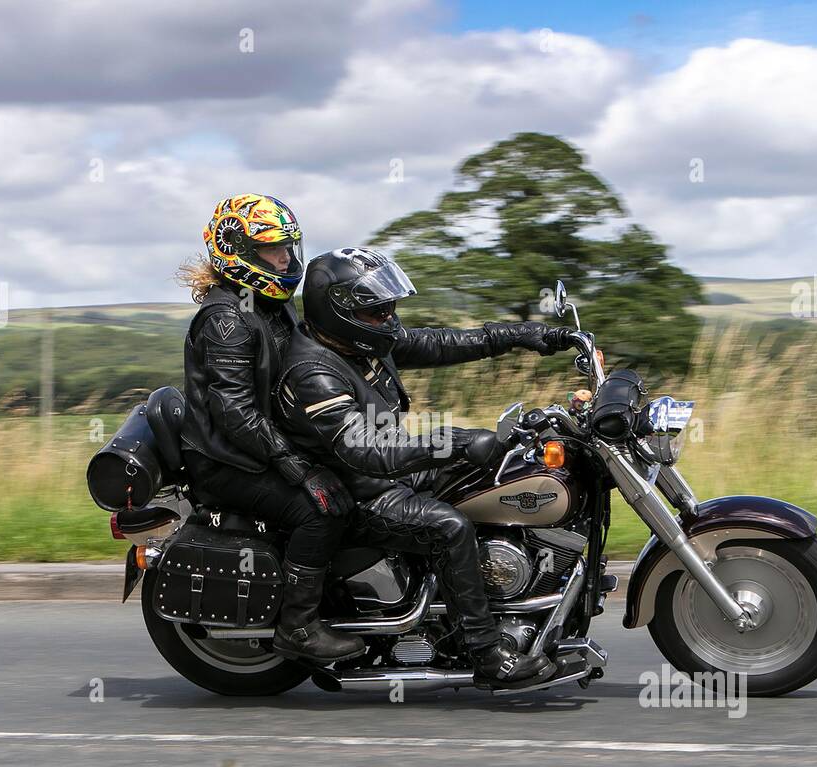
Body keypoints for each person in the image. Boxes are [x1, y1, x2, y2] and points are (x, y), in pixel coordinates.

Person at [274, 247, 574, 686]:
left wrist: (525, 335)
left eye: (390, 307)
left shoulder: (361, 341)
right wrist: (455, 440)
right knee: (450, 528)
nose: (390, 318)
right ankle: (487, 654)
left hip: (387, 472)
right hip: (357, 489)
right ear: (340, 311)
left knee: (493, 475)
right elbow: (366, 450)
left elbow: (440, 343)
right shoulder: (313, 374)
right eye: (378, 310)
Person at [176, 195, 362, 664]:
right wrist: (301, 470)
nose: (285, 259)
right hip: (227, 461)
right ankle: (298, 627)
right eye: (272, 250)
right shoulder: (226, 320)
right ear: (235, 249)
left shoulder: (268, 306)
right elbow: (236, 415)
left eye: (288, 248)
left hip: (259, 448)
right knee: (321, 510)